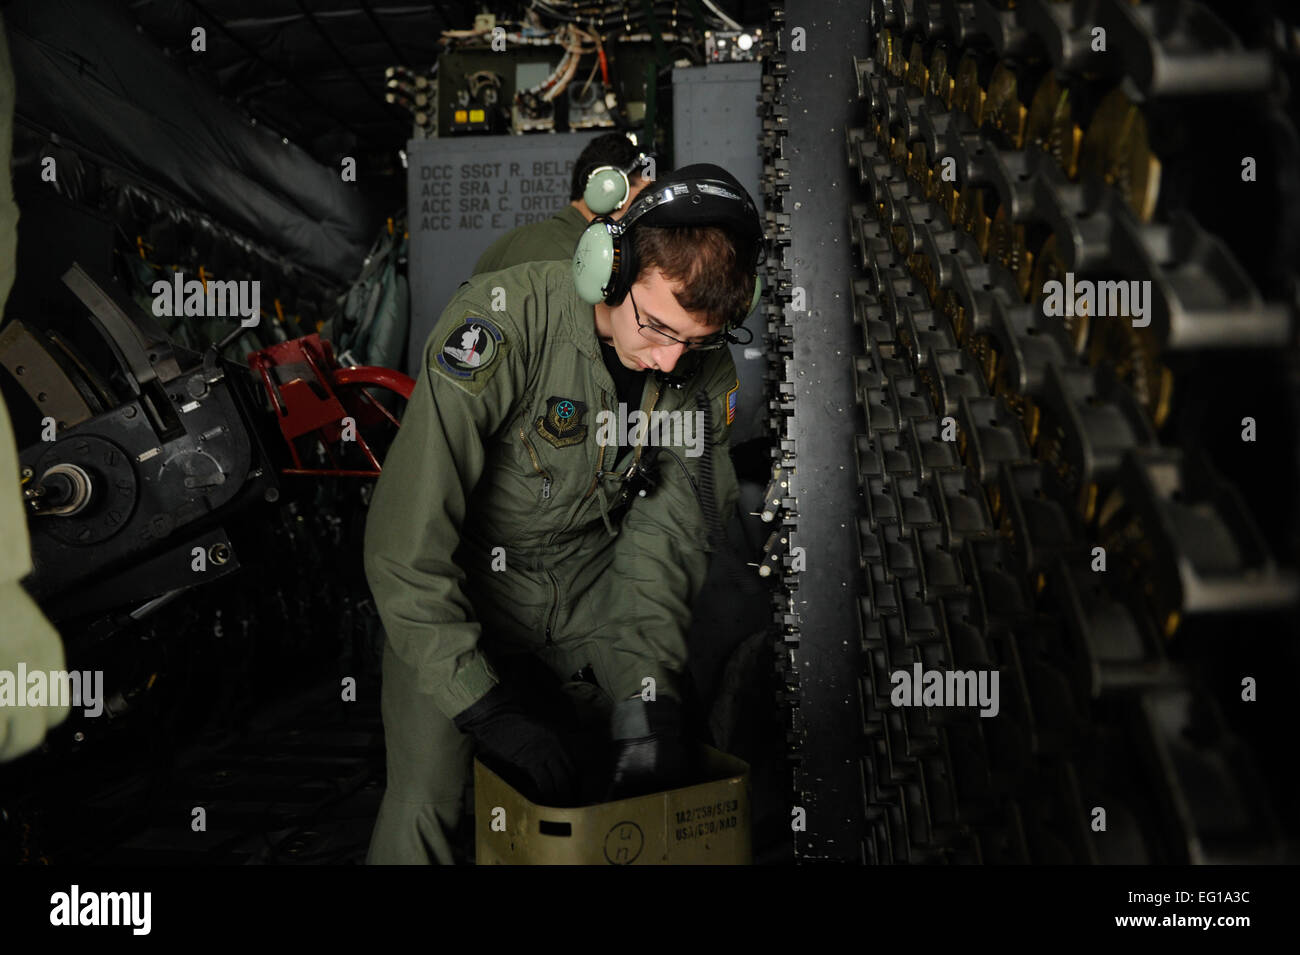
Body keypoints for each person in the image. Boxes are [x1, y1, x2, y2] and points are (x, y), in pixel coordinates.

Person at [363, 163, 761, 864]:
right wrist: (479, 701)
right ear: (607, 267)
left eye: (694, 342)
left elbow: (665, 538)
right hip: (459, 588)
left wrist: (647, 691)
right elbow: (406, 538)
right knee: (428, 800)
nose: (670, 361)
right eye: (657, 325)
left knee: (669, 742)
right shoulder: (504, 322)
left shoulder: (702, 377)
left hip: (586, 589)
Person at [472, 132, 652, 276]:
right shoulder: (581, 264)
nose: (647, 209)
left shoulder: (512, 242)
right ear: (608, 191)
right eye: (643, 196)